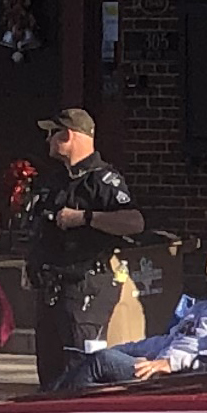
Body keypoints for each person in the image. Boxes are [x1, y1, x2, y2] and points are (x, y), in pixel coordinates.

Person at [23, 108, 145, 387]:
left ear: (67, 134)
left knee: (80, 368)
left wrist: (86, 218)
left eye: (53, 134)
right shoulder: (57, 180)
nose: (48, 141)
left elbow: (134, 221)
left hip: (85, 286)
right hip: (51, 286)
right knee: (50, 370)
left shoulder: (101, 180)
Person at [58, 247, 207, 390]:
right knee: (83, 356)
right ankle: (43, 401)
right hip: (160, 367)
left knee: (101, 362)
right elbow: (167, 341)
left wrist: (169, 364)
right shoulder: (204, 307)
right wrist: (126, 349)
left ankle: (61, 412)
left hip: (179, 380)